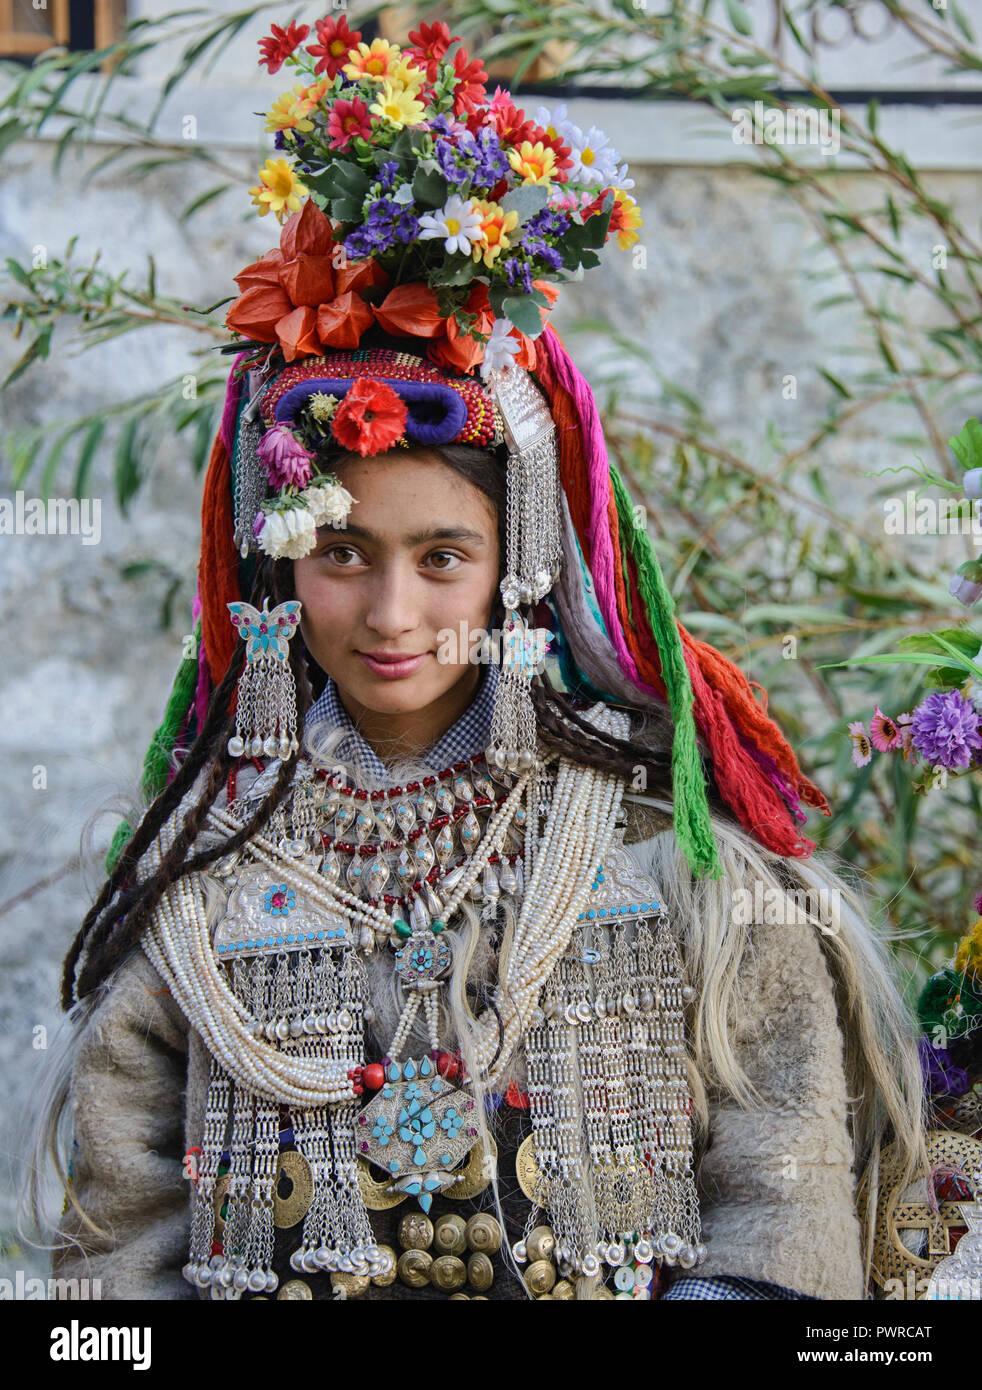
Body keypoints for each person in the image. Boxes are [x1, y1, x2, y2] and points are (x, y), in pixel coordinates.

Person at [28, 19, 925, 1301]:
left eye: (442, 556)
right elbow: (111, 1282)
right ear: (275, 566)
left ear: (523, 565)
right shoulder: (198, 878)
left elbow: (778, 1214)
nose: (392, 613)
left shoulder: (672, 858)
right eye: (341, 552)